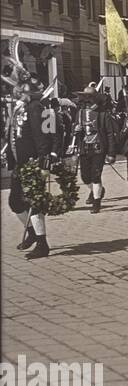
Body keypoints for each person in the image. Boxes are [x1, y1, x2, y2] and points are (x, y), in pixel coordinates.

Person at [7, 79, 58, 258]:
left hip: (33, 163)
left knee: (34, 202)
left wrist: (44, 163)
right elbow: (12, 137)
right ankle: (33, 233)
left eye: (20, 93)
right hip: (19, 165)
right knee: (15, 202)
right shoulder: (18, 110)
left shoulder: (36, 108)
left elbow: (42, 138)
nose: (18, 96)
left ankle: (42, 244)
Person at [71, 85, 116, 214]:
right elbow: (75, 130)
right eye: (85, 98)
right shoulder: (79, 113)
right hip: (84, 148)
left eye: (90, 97)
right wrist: (76, 130)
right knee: (85, 176)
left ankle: (96, 202)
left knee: (96, 176)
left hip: (98, 148)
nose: (87, 100)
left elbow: (109, 133)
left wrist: (111, 153)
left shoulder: (102, 114)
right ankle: (97, 191)